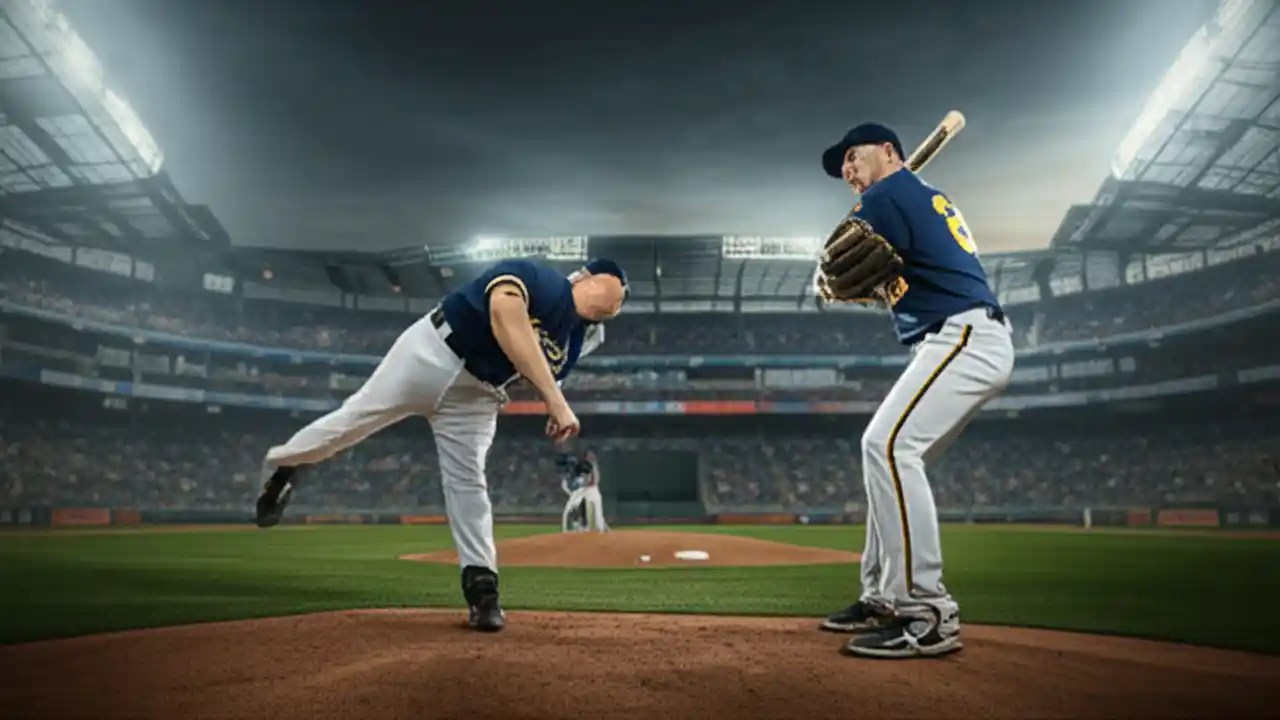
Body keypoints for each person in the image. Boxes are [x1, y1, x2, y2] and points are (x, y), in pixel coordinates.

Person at [253, 257, 628, 632]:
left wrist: (552, 396)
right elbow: (503, 312)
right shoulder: (543, 280)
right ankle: (286, 465)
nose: (621, 300)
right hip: (431, 353)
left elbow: (541, 368)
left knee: (469, 483)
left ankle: (483, 590)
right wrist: (556, 401)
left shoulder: (578, 338)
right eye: (618, 287)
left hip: (478, 396)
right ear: (588, 276)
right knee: (350, 423)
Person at [817, 123, 1014, 658]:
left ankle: (927, 612)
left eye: (854, 159)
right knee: (892, 457)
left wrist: (828, 262)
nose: (849, 173)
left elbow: (836, 259)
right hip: (959, 337)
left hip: (963, 334)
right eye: (843, 172)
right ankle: (882, 595)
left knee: (886, 447)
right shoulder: (910, 196)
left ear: (888, 152)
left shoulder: (887, 195)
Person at [561, 450, 607, 533]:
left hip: (592, 489)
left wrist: (584, 481)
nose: (591, 457)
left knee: (596, 509)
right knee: (573, 508)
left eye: (592, 455)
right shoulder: (584, 466)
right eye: (589, 455)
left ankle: (599, 528)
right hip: (584, 489)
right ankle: (573, 528)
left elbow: (592, 479)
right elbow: (583, 478)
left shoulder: (592, 466)